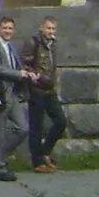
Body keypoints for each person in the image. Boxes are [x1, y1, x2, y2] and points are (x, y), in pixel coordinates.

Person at [0, 16, 29, 183]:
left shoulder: (11, 47)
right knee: (0, 133)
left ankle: (0, 155)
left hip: (13, 94)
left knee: (23, 128)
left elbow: (17, 67)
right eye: (5, 28)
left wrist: (26, 73)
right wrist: (18, 74)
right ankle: (0, 168)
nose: (8, 31)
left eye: (10, 28)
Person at [23, 15, 69, 173]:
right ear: (41, 28)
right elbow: (25, 64)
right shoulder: (33, 42)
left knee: (61, 121)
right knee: (36, 126)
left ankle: (44, 152)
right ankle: (37, 162)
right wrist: (35, 76)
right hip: (37, 89)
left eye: (53, 29)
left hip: (50, 89)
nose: (51, 31)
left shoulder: (53, 44)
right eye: (48, 28)